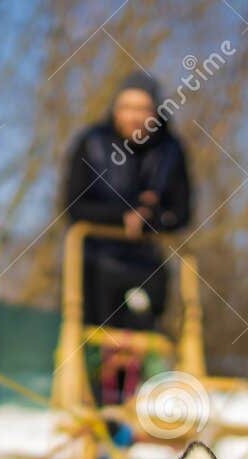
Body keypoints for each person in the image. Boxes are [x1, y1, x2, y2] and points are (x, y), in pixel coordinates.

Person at [61, 71, 193, 333]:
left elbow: (183, 212)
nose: (134, 116)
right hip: (94, 264)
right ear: (115, 110)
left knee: (145, 345)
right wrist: (123, 215)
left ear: (156, 111)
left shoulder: (171, 150)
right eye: (126, 108)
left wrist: (152, 218)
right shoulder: (92, 142)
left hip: (147, 267)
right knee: (93, 344)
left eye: (142, 109)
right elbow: (73, 205)